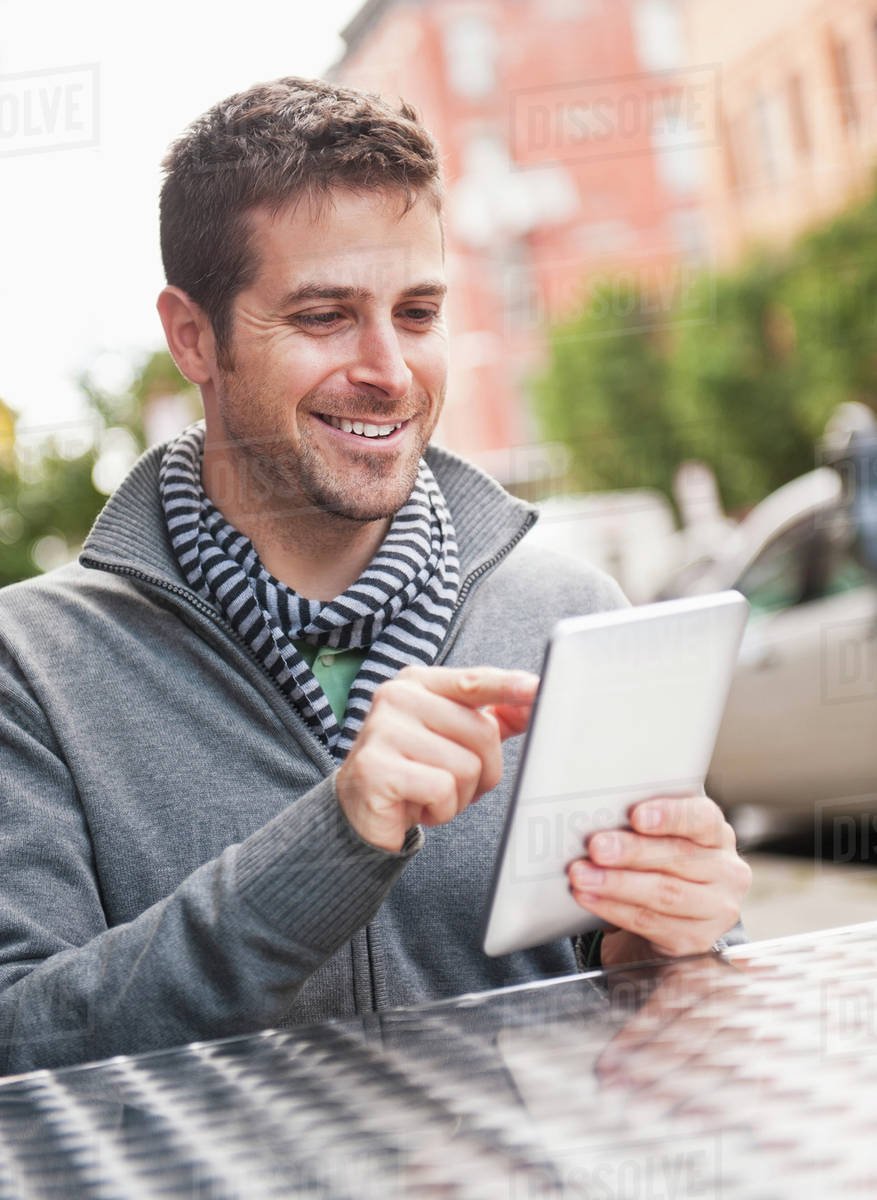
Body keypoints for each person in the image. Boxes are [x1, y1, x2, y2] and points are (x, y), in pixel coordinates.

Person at [0, 77, 750, 1076]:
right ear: (192, 336)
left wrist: (667, 945)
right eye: (324, 315)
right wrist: (331, 842)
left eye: (419, 310)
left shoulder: (570, 614)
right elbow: (23, 1043)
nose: (390, 369)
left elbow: (667, 1045)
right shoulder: (32, 670)